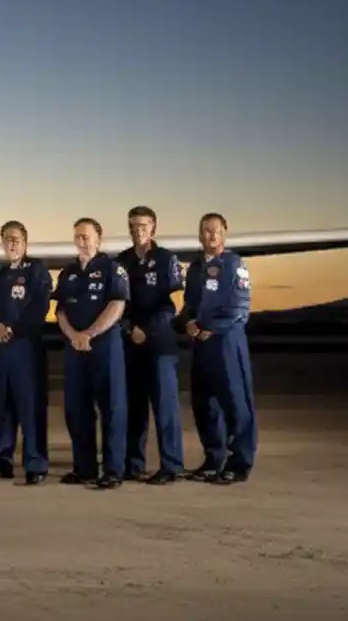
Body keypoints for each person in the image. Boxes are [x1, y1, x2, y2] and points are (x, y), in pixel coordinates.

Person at [177, 212, 257, 485]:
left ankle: (239, 463)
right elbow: (189, 304)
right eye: (206, 231)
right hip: (201, 343)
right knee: (204, 404)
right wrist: (188, 323)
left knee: (236, 403)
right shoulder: (196, 268)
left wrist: (213, 327)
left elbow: (240, 308)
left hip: (226, 342)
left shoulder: (234, 264)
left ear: (224, 234)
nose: (211, 236)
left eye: (216, 231)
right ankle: (213, 459)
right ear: (199, 235)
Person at [53, 217, 130, 490]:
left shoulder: (112, 269)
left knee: (112, 407)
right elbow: (60, 310)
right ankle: (84, 468)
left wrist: (90, 334)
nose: (82, 241)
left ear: (99, 239)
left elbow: (117, 305)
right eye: (78, 236)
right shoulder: (68, 273)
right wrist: (74, 336)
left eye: (87, 236)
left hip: (104, 347)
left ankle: (113, 470)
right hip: (75, 349)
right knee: (77, 409)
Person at [0, 220, 52, 485]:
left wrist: (13, 329)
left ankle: (35, 463)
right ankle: (1, 459)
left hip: (26, 347)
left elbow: (40, 308)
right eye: (7, 238)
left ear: (25, 242)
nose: (11, 243)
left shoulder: (37, 270)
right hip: (2, 350)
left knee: (30, 406)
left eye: (16, 239)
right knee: (1, 406)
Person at [115, 206, 186, 485]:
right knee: (134, 406)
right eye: (133, 225)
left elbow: (174, 303)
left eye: (143, 225)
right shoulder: (122, 261)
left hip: (160, 345)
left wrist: (148, 330)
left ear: (153, 226)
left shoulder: (167, 259)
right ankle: (133, 464)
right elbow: (117, 301)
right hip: (131, 342)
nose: (137, 230)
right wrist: (130, 329)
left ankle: (171, 465)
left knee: (165, 406)